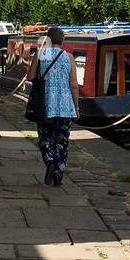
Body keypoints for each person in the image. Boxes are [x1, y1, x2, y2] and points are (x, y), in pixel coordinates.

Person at [27, 27, 79, 187]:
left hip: (45, 106)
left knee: (45, 137)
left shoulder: (40, 55)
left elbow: (30, 77)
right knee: (62, 141)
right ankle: (58, 176)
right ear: (62, 41)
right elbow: (74, 85)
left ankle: (49, 160)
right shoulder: (69, 58)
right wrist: (76, 107)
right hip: (65, 107)